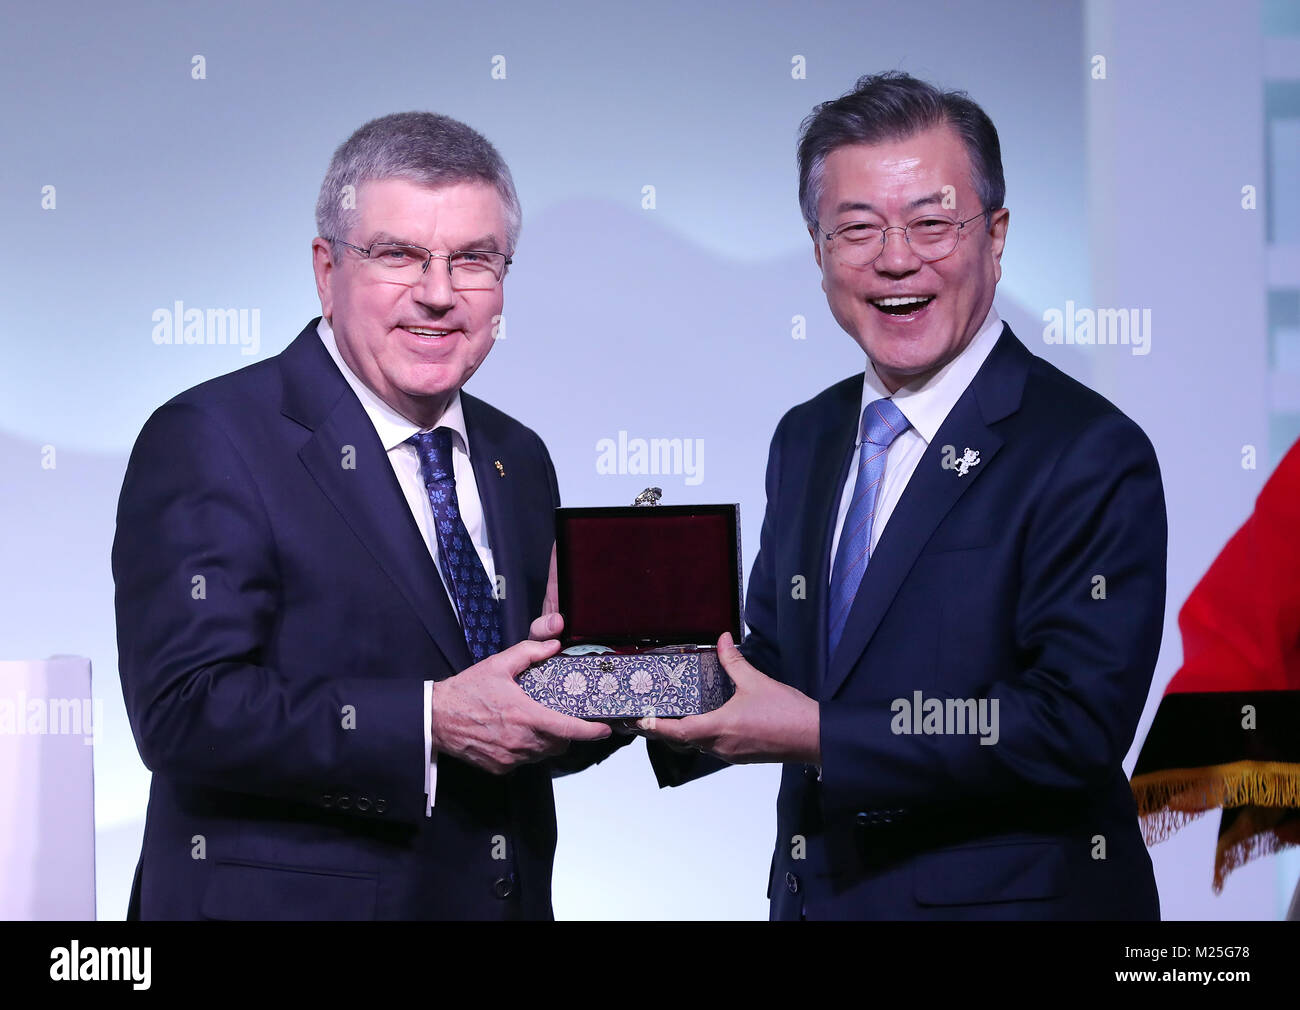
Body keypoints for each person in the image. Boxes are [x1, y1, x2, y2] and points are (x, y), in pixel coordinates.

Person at [640, 72, 1167, 919]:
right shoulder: (806, 437)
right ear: (818, 252)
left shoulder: (1089, 450)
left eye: (932, 222)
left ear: (995, 236)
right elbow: (779, 664)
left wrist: (819, 738)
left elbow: (1069, 726)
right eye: (857, 229)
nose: (895, 258)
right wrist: (622, 663)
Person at [112, 111, 620, 920]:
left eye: (474, 261)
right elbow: (184, 710)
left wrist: (616, 692)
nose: (439, 293)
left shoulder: (517, 457)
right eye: (399, 255)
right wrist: (430, 720)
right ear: (326, 268)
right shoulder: (212, 436)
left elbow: (503, 716)